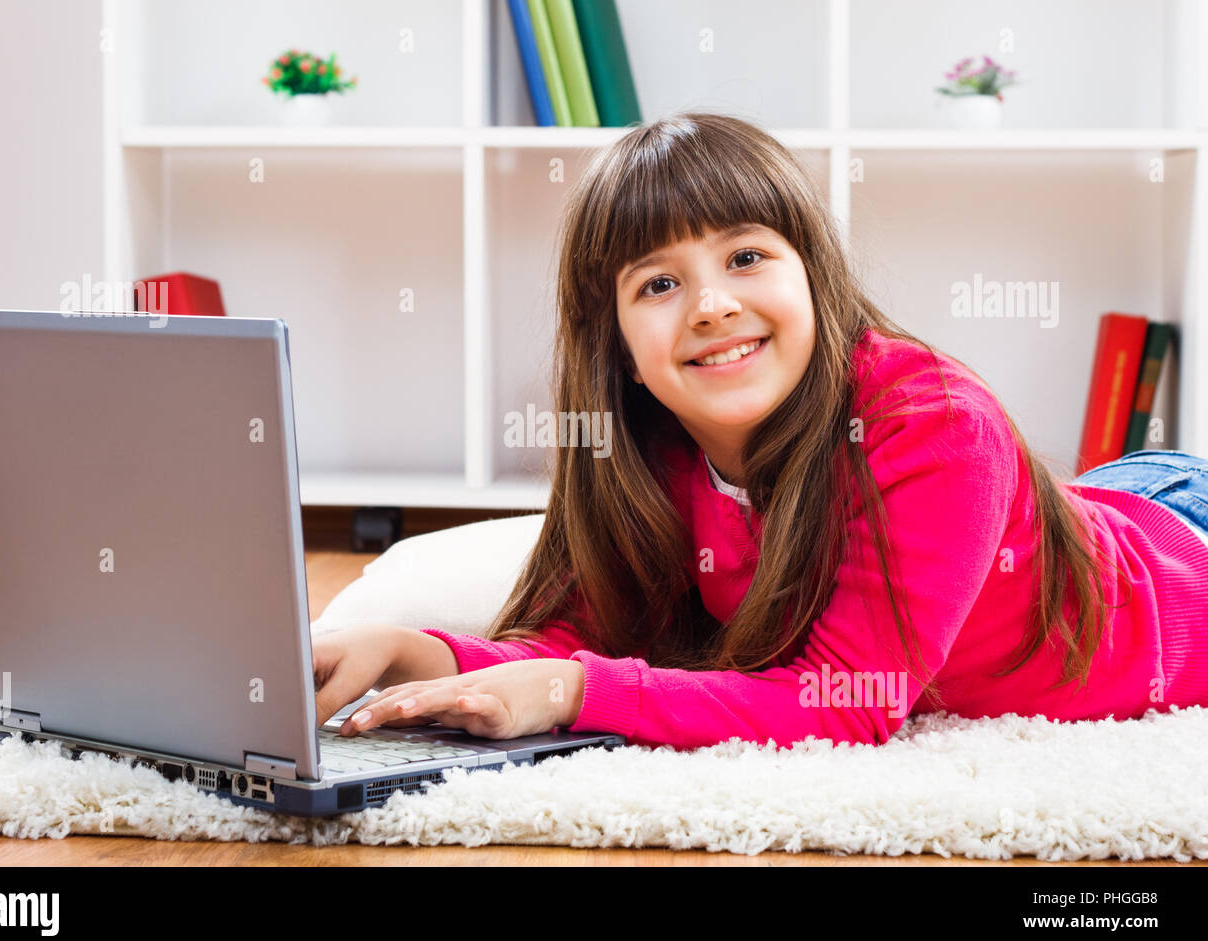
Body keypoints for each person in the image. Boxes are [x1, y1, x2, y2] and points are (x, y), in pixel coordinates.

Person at [312, 111, 1208, 751]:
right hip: (1105, 498)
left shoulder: (934, 423)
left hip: (1181, 547)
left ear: (813, 277)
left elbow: (843, 705)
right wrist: (409, 653)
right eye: (657, 285)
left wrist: (577, 692)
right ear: (619, 346)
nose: (711, 306)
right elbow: (580, 634)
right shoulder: (651, 448)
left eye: (745, 257)